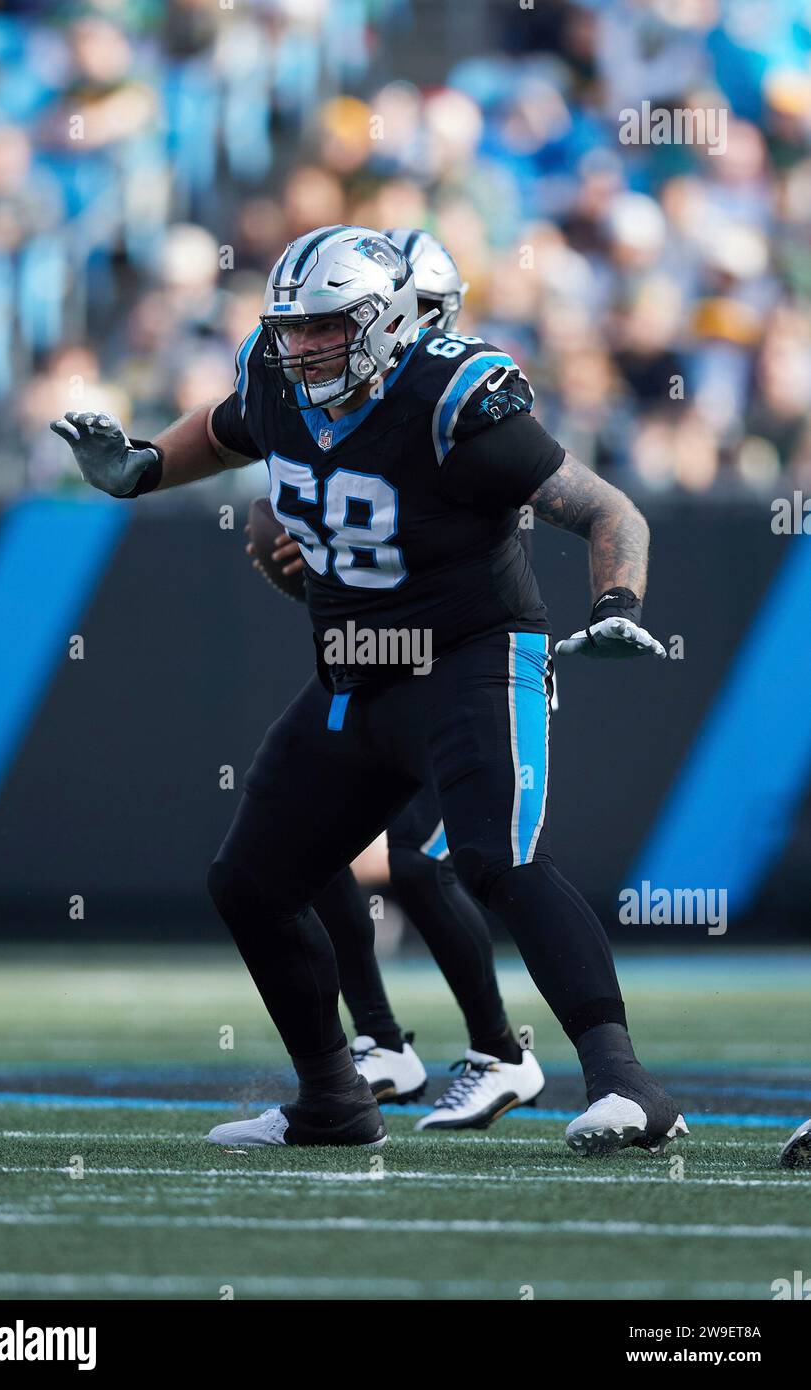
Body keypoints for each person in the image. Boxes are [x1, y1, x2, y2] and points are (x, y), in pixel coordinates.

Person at [51, 224, 687, 1157]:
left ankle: (628, 1087)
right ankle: (335, 1100)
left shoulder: (450, 400)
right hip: (356, 671)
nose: (298, 347)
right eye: (289, 329)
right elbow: (228, 430)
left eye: (323, 329)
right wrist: (142, 468)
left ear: (388, 322)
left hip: (474, 656)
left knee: (491, 860)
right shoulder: (277, 380)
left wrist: (619, 599)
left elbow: (605, 508)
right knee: (252, 882)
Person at [249, 228, 544, 1132]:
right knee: (313, 850)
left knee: (429, 860)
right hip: (373, 663)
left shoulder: (454, 396)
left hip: (458, 657)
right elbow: (285, 492)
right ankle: (382, 1039)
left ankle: (504, 1050)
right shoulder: (319, 394)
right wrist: (281, 541)